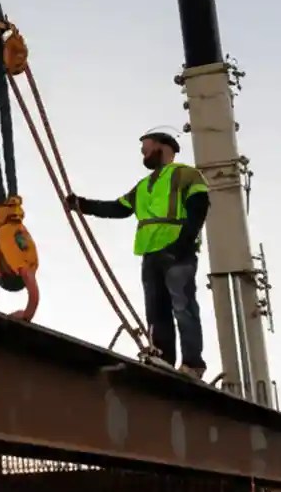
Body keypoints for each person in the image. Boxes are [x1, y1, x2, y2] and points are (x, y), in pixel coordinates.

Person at [65, 131, 210, 378]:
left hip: (177, 252)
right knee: (156, 311)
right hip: (150, 253)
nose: (142, 151)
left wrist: (182, 245)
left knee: (183, 306)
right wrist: (83, 205)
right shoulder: (143, 186)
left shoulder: (186, 174)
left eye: (146, 146)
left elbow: (198, 208)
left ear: (163, 146)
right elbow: (118, 208)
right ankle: (164, 360)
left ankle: (193, 364)